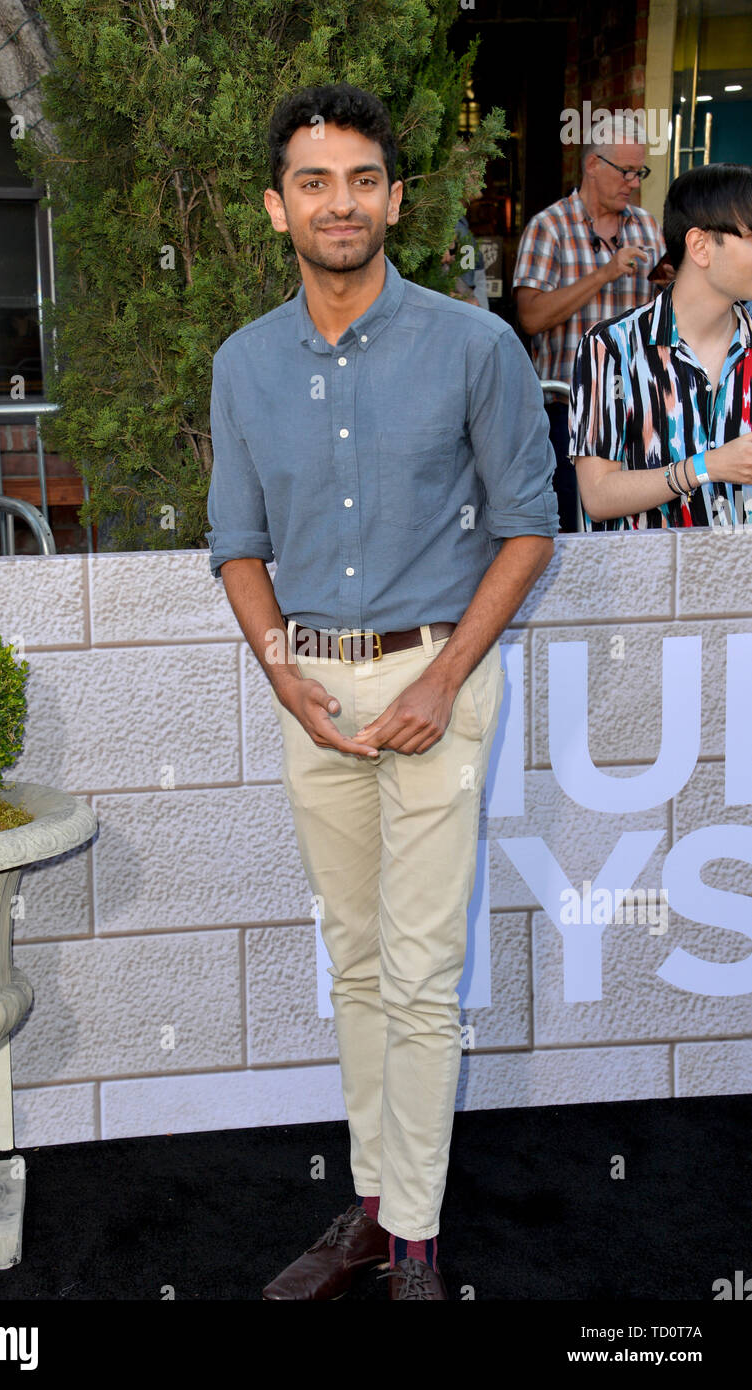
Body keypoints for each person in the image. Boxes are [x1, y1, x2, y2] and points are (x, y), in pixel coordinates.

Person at [205, 82, 558, 1301]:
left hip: (434, 677)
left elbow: (527, 528)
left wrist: (445, 676)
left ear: (396, 199)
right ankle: (368, 1208)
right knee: (354, 962)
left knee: (418, 971)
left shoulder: (473, 346)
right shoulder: (245, 365)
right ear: (278, 207)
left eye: (362, 179)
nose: (339, 202)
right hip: (309, 684)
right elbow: (237, 546)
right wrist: (282, 674)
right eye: (313, 182)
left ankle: (414, 1240)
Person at [569, 162, 752, 529]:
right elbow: (598, 496)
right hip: (648, 564)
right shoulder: (611, 347)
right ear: (700, 246)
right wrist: (707, 466)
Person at [513, 119, 669, 530]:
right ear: (593, 165)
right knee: (573, 527)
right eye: (626, 171)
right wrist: (605, 273)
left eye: (640, 172)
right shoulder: (549, 227)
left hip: (639, 408)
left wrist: (673, 287)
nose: (634, 183)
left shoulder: (647, 227)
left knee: (637, 527)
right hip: (569, 411)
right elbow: (531, 317)